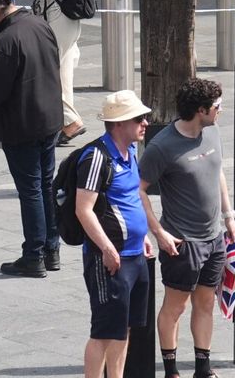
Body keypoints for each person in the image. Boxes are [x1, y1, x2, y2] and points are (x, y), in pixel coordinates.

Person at [141, 78, 235, 378]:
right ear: (200, 110)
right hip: (182, 242)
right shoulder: (162, 147)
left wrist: (229, 216)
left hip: (214, 238)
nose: (221, 110)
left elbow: (218, 171)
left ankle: (203, 368)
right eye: (217, 106)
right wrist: (158, 232)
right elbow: (138, 190)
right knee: (176, 306)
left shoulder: (212, 131)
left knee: (205, 303)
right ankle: (171, 371)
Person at [76, 90, 167, 378]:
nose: (145, 123)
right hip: (110, 259)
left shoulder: (128, 154)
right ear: (118, 124)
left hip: (135, 255)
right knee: (103, 331)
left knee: (123, 326)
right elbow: (83, 210)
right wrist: (106, 248)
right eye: (139, 118)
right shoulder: (96, 158)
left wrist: (142, 236)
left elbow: (130, 197)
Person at [0, 0, 64, 276]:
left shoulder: (5, 40)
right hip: (49, 118)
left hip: (22, 124)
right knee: (45, 185)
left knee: (30, 190)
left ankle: (34, 255)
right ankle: (51, 249)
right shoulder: (39, 25)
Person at [16, 0, 86, 144]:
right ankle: (66, 123)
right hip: (71, 21)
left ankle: (72, 121)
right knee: (64, 71)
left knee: (50, 72)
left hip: (58, 22)